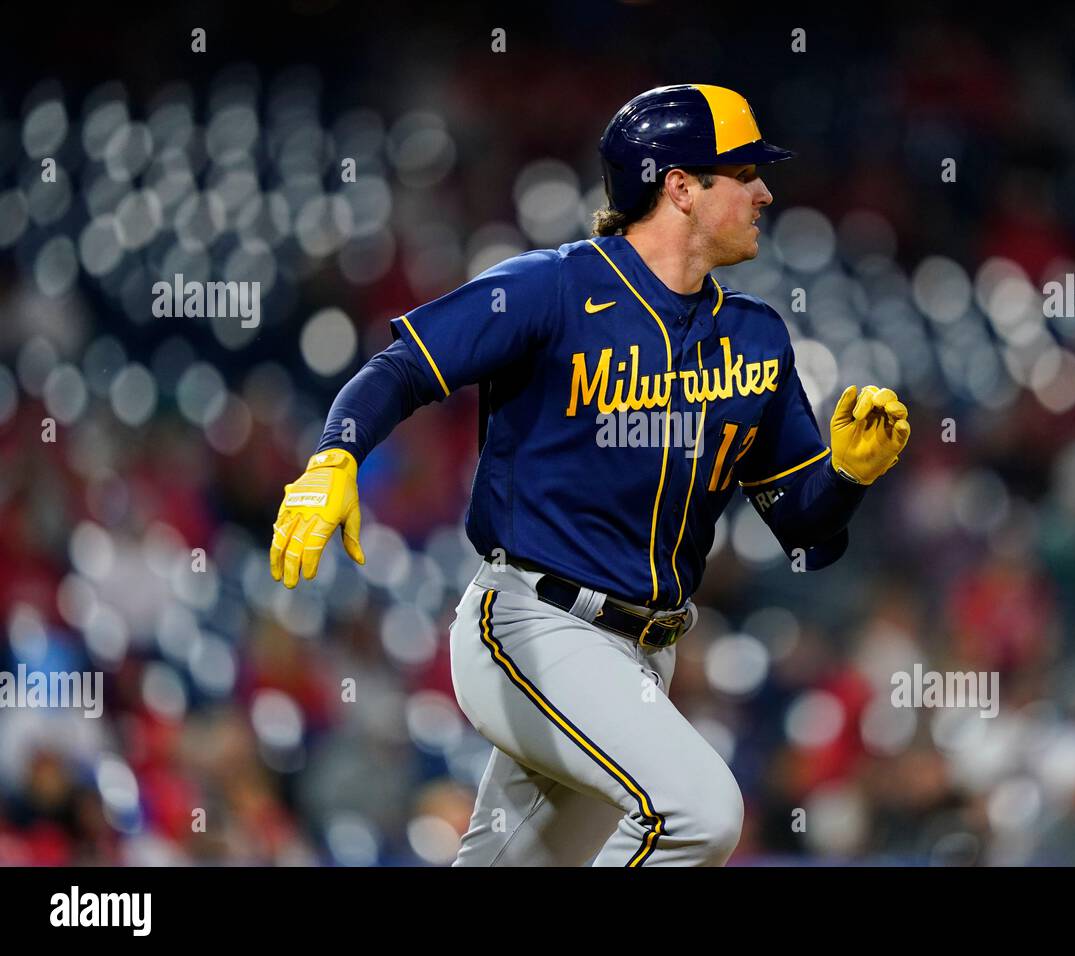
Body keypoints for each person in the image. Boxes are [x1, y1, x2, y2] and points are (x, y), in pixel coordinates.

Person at [268, 84, 910, 866]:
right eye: (743, 172)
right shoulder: (554, 288)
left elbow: (804, 527)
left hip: (646, 654)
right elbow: (403, 365)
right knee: (700, 814)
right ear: (681, 186)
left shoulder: (756, 337)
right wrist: (337, 452)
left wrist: (847, 474)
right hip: (534, 626)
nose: (764, 191)